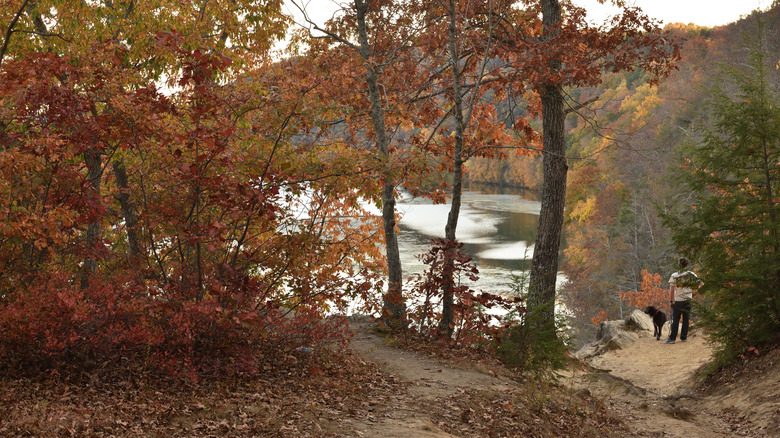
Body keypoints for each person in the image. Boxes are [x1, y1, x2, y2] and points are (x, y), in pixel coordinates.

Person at [664, 257, 701, 344]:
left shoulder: (674, 275)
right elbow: (701, 283)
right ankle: (684, 337)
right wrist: (694, 292)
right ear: (686, 264)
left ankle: (672, 338)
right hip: (688, 299)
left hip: (679, 299)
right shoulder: (691, 274)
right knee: (686, 318)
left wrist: (671, 301)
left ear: (679, 264)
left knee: (676, 319)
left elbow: (672, 290)